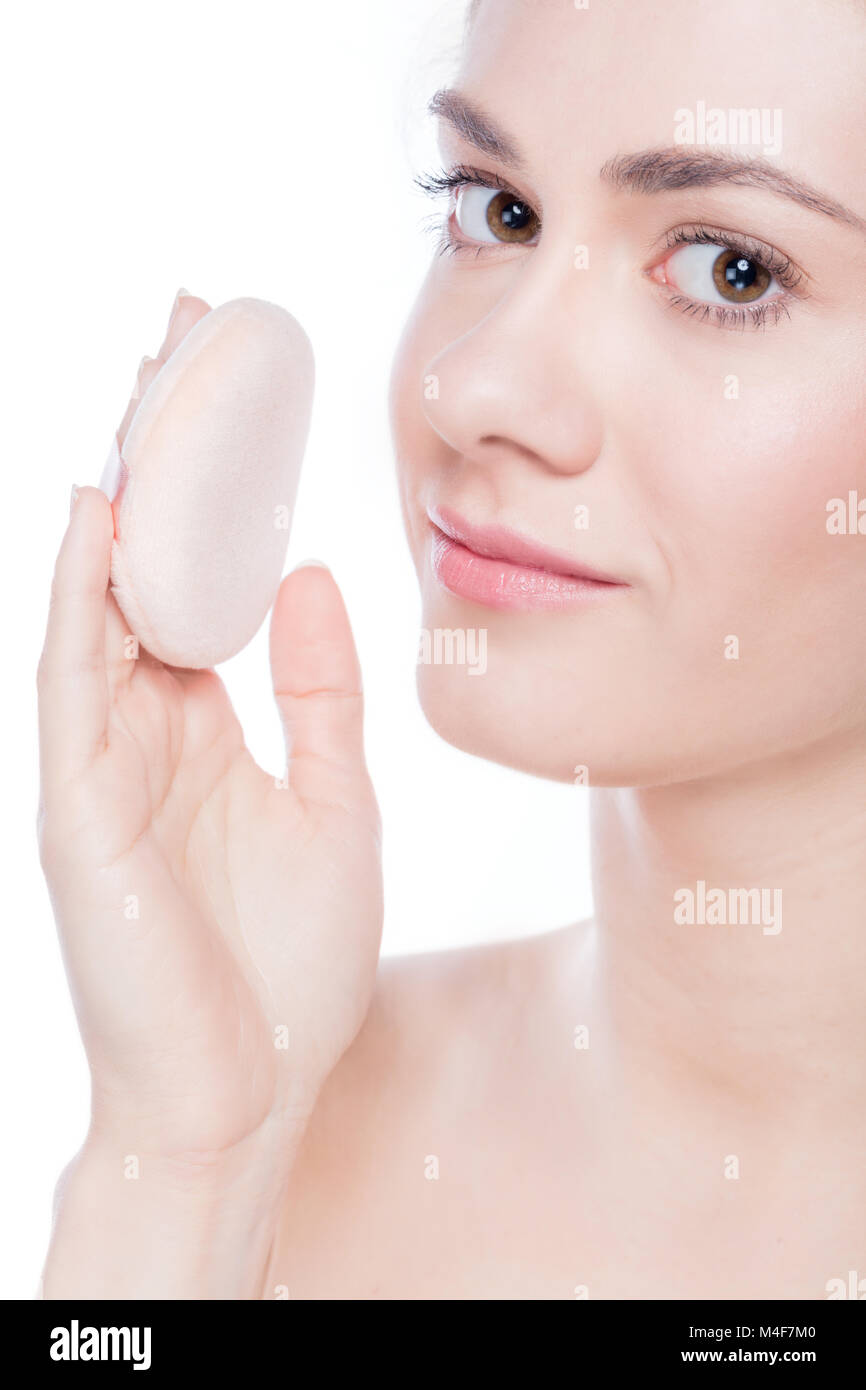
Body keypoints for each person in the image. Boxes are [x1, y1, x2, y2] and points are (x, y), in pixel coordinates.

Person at [36, 0, 866, 1299]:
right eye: (496, 209)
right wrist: (190, 1174)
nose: (473, 384)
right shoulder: (275, 1116)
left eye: (728, 270)